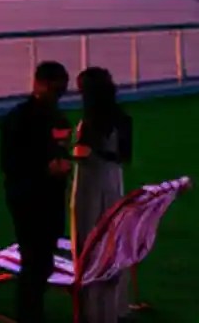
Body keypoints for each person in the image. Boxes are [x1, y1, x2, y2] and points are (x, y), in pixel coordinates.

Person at [1, 61, 73, 323]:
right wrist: (45, 168)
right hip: (27, 198)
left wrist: (63, 163)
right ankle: (28, 315)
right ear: (39, 84)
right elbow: (10, 163)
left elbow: (62, 148)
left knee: (43, 261)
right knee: (33, 260)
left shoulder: (59, 119)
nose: (58, 97)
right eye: (55, 91)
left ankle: (33, 310)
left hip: (51, 199)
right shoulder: (18, 119)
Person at [71, 67, 133, 323]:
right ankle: (115, 304)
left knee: (89, 240)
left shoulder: (90, 124)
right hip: (113, 182)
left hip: (90, 183)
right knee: (111, 240)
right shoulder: (123, 119)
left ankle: (92, 308)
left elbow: (82, 155)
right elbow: (124, 157)